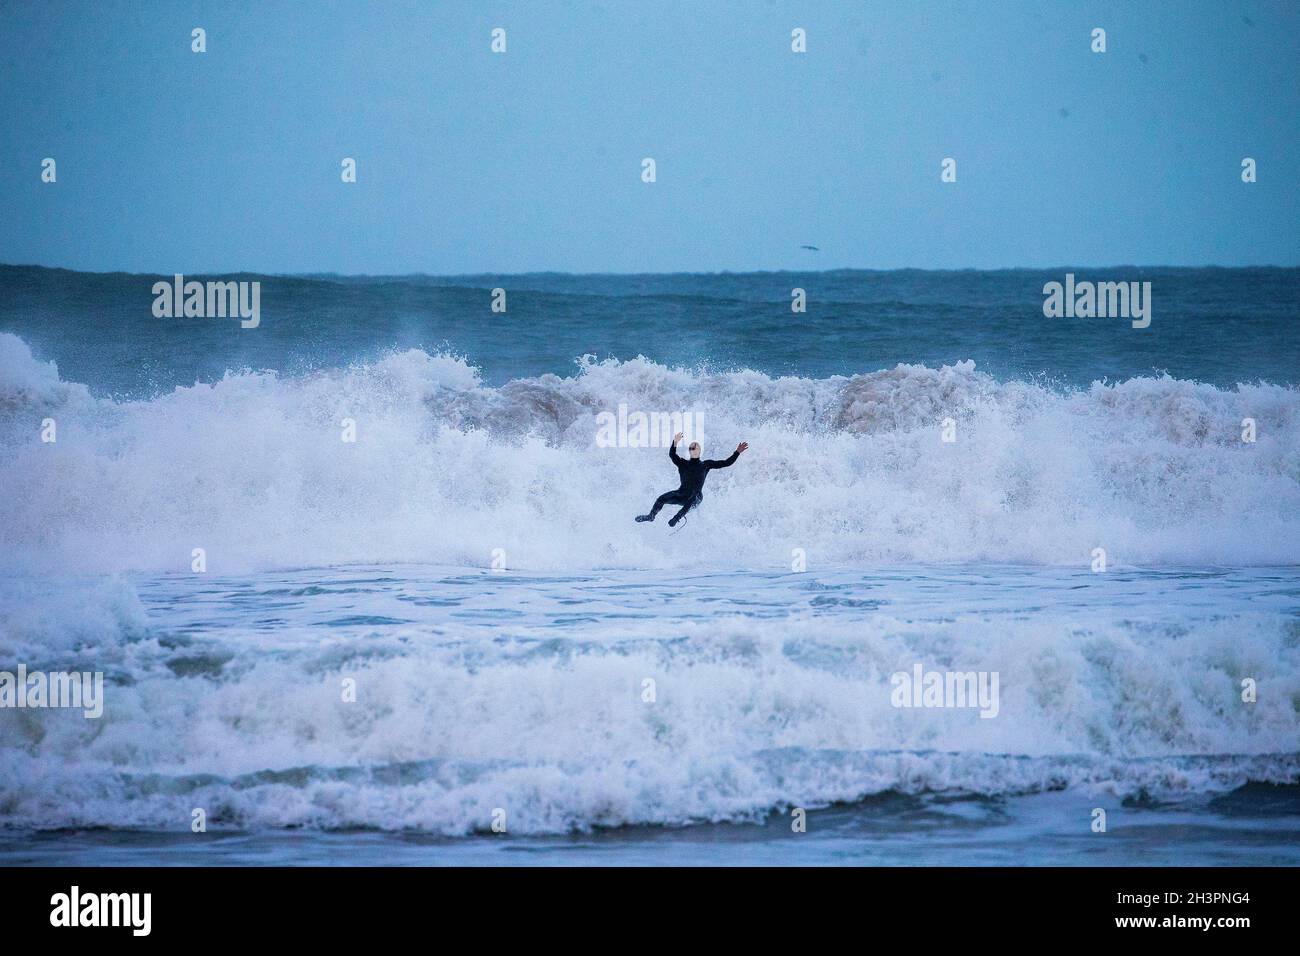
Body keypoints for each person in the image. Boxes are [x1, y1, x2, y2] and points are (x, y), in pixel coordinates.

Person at [636, 432, 748, 527]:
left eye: (696, 446)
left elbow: (726, 463)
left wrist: (737, 452)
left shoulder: (706, 465)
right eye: (691, 447)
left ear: (699, 450)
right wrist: (675, 442)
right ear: (689, 451)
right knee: (662, 498)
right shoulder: (682, 463)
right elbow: (672, 454)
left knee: (693, 495)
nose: (693, 448)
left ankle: (677, 517)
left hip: (696, 498)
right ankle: (650, 516)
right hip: (681, 494)